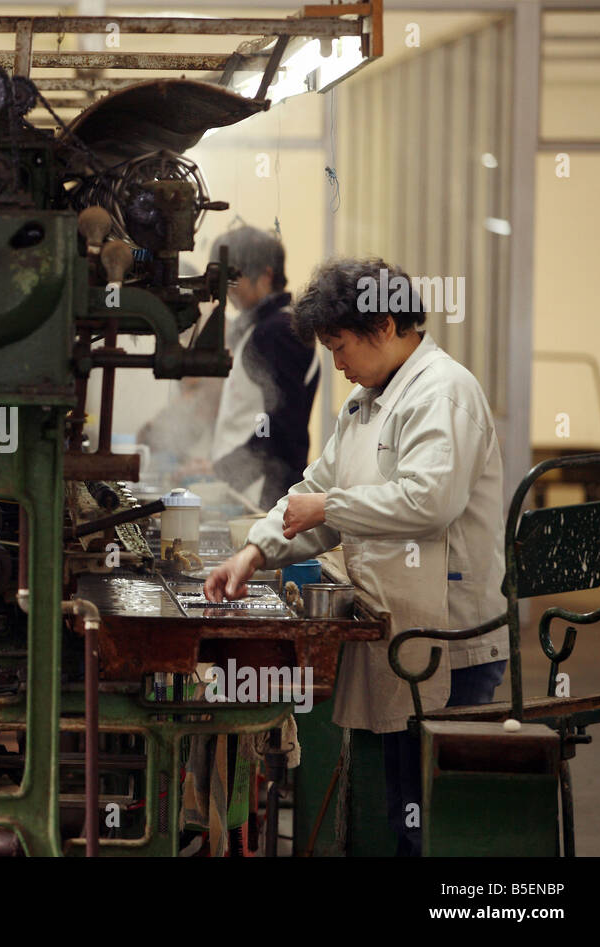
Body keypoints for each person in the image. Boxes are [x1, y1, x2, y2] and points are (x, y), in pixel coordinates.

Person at [204, 257, 509, 856]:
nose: (336, 365)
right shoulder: (368, 403)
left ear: (386, 324)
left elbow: (428, 501)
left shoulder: (443, 393)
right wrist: (253, 552)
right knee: (402, 810)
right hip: (404, 631)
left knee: (432, 823)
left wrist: (329, 509)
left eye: (340, 347)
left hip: (453, 641)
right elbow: (310, 493)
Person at [207, 227, 320, 511]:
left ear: (266, 276)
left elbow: (280, 424)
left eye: (234, 280)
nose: (227, 292)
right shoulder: (261, 328)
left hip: (262, 496)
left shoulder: (278, 331)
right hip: (249, 489)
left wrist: (227, 470)